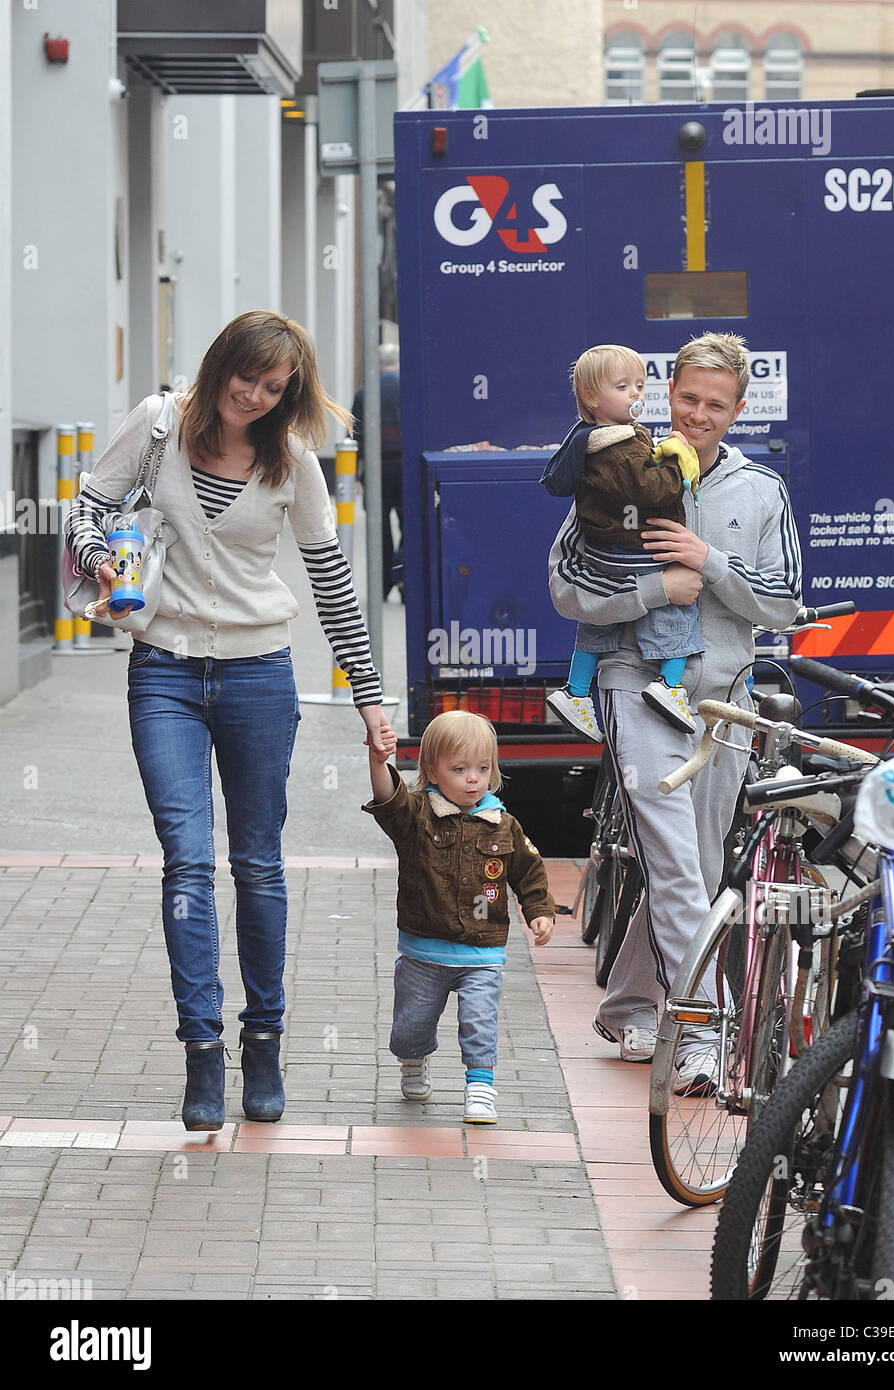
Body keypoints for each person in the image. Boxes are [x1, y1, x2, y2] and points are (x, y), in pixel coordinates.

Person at [65, 310, 394, 1130]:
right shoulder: (158, 424)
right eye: (245, 377)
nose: (253, 395)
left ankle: (266, 1041)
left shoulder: (293, 462)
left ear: (289, 396)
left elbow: (333, 584)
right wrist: (103, 554)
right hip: (164, 670)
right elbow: (84, 506)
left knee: (257, 863)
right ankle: (202, 1052)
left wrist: (371, 700)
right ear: (220, 367)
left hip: (259, 674)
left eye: (273, 387)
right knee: (186, 857)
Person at [548, 332, 802, 1087]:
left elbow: (785, 603)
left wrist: (708, 562)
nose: (698, 414)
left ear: (738, 410)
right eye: (687, 398)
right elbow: (564, 588)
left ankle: (629, 1006)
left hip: (725, 702)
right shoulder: (620, 461)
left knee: (687, 867)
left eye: (714, 405)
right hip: (636, 686)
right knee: (677, 866)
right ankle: (699, 1038)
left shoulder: (761, 491)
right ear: (668, 394)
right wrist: (657, 590)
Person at [363, 710, 555, 1124]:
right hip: (423, 951)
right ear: (432, 770)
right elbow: (387, 800)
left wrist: (539, 911)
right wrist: (379, 763)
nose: (473, 778)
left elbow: (529, 871)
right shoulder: (417, 817)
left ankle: (481, 1087)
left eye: (482, 768)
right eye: (460, 769)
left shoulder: (503, 825)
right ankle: (413, 1061)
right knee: (410, 1028)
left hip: (482, 953)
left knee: (479, 1023)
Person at [542, 344, 704, 742]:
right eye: (623, 386)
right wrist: (676, 463)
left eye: (639, 385)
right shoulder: (617, 446)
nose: (636, 394)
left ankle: (577, 691)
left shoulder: (588, 440)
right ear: (593, 399)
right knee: (677, 609)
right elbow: (650, 490)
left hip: (603, 555)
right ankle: (669, 685)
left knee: (599, 622)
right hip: (637, 554)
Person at [352, 342, 403, 599]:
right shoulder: (410, 389)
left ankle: (382, 585)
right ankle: (403, 574)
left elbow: (356, 436)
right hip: (406, 471)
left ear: (379, 364)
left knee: (378, 528)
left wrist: (357, 475)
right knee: (410, 525)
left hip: (377, 471)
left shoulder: (364, 394)